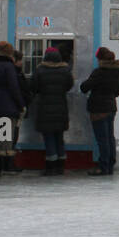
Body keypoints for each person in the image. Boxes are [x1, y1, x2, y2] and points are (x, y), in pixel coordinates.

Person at [81, 46, 119, 176]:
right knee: (110, 137)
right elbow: (117, 92)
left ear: (100, 59)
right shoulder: (117, 71)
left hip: (98, 109)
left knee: (102, 139)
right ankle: (110, 164)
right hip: (111, 107)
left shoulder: (99, 72)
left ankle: (103, 166)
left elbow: (84, 87)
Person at [31, 46, 74, 176]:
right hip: (61, 107)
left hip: (45, 108)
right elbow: (69, 85)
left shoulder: (40, 70)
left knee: (48, 137)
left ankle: (51, 166)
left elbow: (34, 86)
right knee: (59, 137)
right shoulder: (65, 70)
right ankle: (61, 165)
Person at [0, 42, 25, 176]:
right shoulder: (8, 67)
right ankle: (6, 166)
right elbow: (14, 87)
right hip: (7, 104)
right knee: (6, 136)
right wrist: (21, 104)